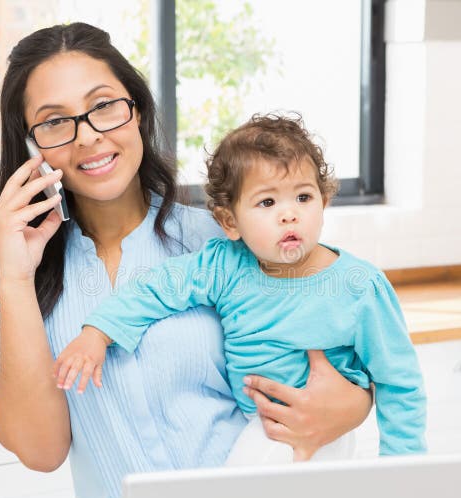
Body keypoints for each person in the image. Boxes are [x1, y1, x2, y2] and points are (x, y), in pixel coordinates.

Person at [0, 22, 373, 498]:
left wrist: (355, 402)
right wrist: (17, 280)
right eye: (54, 122)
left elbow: (332, 354)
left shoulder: (224, 243)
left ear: (137, 109)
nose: (88, 135)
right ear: (29, 145)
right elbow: (40, 451)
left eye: (104, 105)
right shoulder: (8, 276)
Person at [54, 114, 427, 464]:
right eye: (267, 201)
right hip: (259, 428)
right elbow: (157, 289)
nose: (289, 213)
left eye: (303, 197)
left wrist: (402, 467)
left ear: (324, 202)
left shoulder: (359, 286)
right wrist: (98, 332)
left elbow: (399, 382)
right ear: (230, 222)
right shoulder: (224, 265)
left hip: (322, 434)